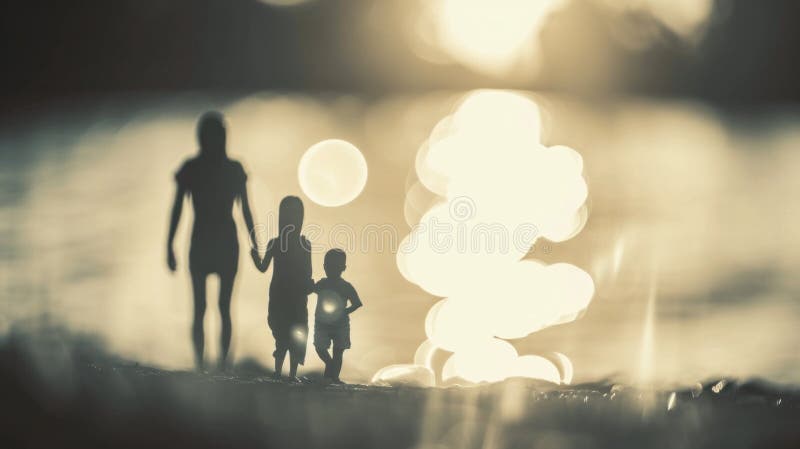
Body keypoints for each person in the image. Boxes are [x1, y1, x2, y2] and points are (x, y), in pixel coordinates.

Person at [166, 111, 258, 371]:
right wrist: (169, 246)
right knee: (202, 307)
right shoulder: (192, 168)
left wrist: (255, 244)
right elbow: (177, 210)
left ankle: (221, 365)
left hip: (223, 243)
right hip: (204, 243)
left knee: (222, 307)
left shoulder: (232, 169)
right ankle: (202, 365)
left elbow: (246, 210)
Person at [251, 196, 313, 380]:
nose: (293, 219)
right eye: (290, 215)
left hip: (296, 295)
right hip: (281, 296)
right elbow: (263, 267)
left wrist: (309, 285)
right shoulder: (276, 243)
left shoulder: (303, 244)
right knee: (282, 336)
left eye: (296, 215)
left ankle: (292, 374)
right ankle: (279, 372)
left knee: (296, 334)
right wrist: (255, 258)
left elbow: (308, 272)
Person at [312, 248, 362, 384]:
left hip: (340, 324)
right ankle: (329, 364)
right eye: (328, 266)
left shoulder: (346, 286)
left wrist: (344, 312)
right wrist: (309, 283)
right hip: (322, 322)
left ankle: (334, 378)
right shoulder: (322, 283)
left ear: (343, 268)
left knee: (338, 351)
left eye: (335, 267)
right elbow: (310, 289)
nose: (331, 270)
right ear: (324, 267)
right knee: (319, 347)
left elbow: (357, 303)